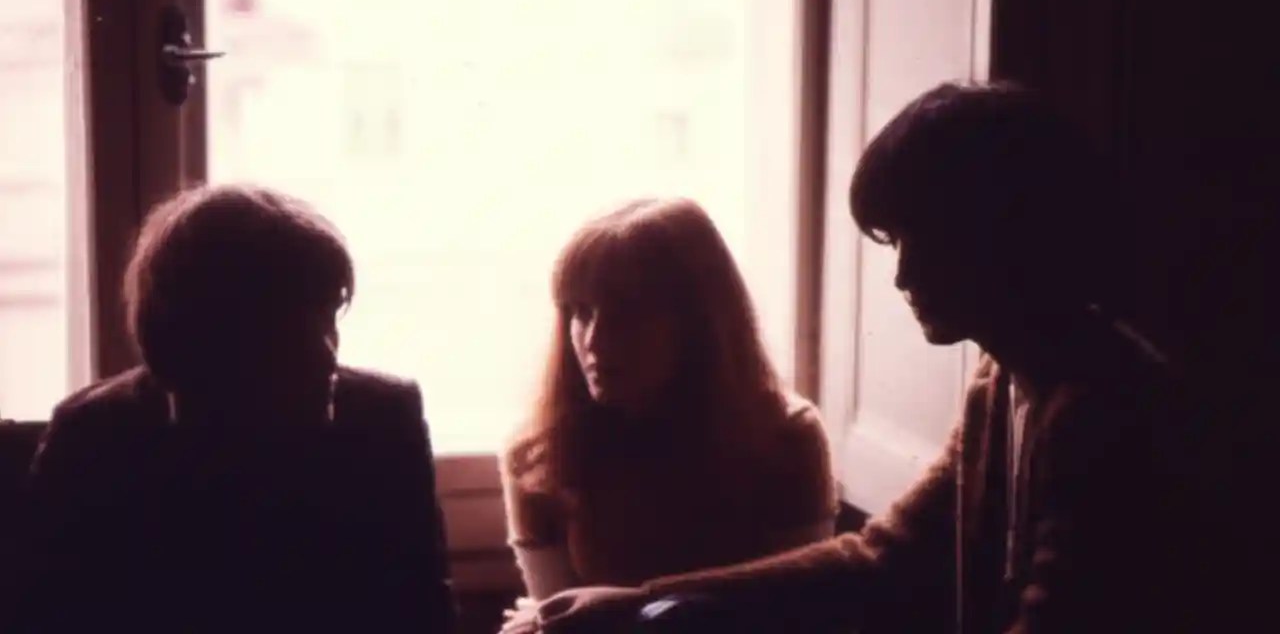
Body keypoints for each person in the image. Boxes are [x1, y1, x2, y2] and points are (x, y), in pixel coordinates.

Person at [507, 83, 1187, 634]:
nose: (903, 277)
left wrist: (642, 602)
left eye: (930, 242)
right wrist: (638, 601)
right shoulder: (997, 385)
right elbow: (880, 554)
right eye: (896, 244)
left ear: (1008, 233)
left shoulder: (1103, 408)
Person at [12, 184, 456, 633]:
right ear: (198, 340)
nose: (328, 355)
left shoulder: (382, 421)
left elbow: (422, 617)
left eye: (328, 316)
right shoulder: (95, 440)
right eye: (291, 327)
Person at [499, 198, 838, 609]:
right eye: (581, 312)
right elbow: (562, 618)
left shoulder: (786, 438)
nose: (594, 342)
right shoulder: (540, 456)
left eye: (628, 313)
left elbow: (800, 614)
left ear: (699, 322)